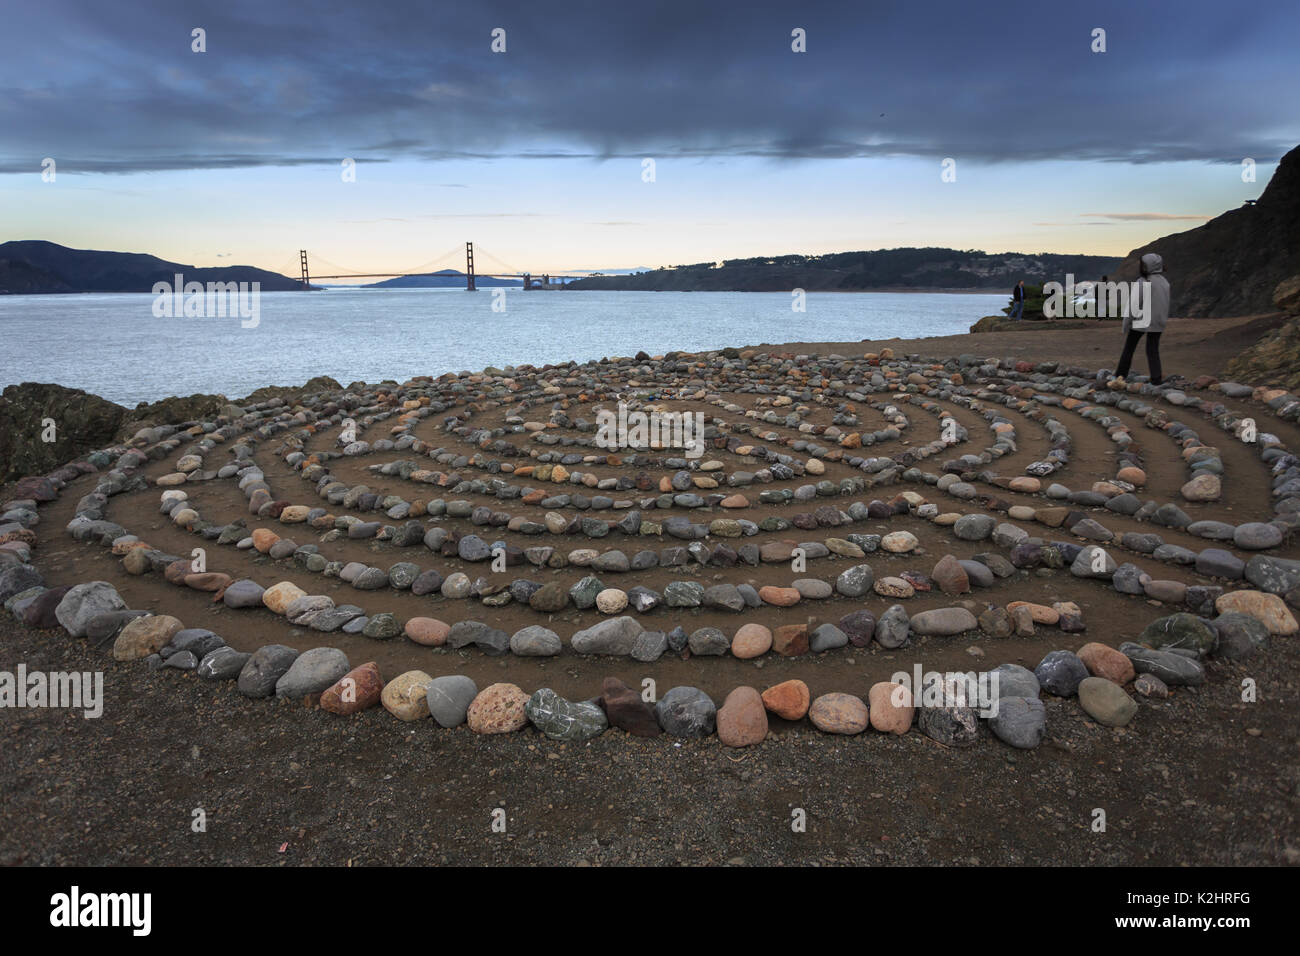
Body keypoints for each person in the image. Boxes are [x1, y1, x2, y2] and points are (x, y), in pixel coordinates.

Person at [1113, 253, 1170, 385]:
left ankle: (1120, 376)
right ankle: (1156, 379)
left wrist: (1125, 324)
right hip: (1158, 321)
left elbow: (1133, 306)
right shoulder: (1164, 282)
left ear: (1148, 266)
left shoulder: (1143, 282)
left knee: (1129, 347)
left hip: (1141, 320)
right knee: (1152, 350)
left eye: (1143, 264)